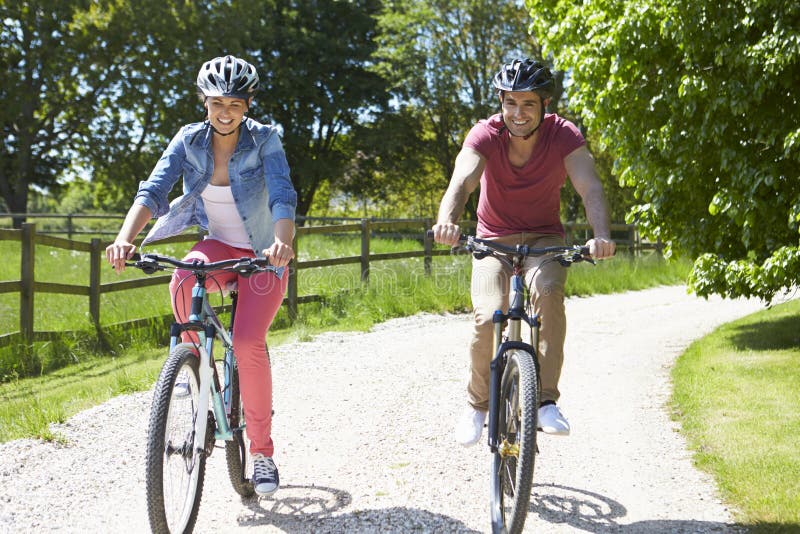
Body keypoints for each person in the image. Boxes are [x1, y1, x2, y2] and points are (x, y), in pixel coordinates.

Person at [106, 55, 297, 495]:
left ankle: (263, 453)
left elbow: (282, 195)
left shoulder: (265, 139)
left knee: (249, 343)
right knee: (182, 280)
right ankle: (197, 376)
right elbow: (154, 191)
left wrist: (282, 243)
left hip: (263, 254)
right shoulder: (188, 139)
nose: (224, 112)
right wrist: (124, 237)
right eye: (216, 102)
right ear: (204, 102)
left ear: (247, 104)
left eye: (234, 102)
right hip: (218, 246)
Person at [432, 58, 616, 446]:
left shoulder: (564, 134)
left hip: (544, 238)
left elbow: (590, 187)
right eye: (511, 103)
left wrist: (600, 235)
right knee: (486, 315)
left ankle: (545, 401)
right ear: (501, 102)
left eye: (528, 104)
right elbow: (462, 180)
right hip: (492, 238)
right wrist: (447, 220)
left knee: (549, 296)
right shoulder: (485, 133)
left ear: (543, 105)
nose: (518, 113)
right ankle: (478, 406)